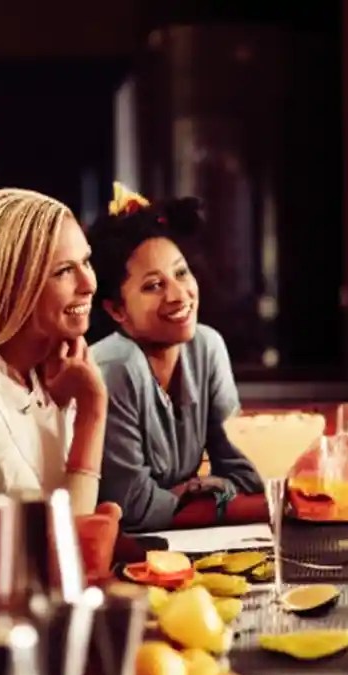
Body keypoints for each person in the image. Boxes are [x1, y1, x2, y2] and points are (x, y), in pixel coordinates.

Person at [0, 187, 121, 577]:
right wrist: (92, 413)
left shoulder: (55, 368)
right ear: (15, 285)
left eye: (86, 262)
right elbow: (65, 550)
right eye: (64, 271)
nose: (90, 284)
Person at [88, 184, 264, 533]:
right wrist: (272, 507)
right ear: (116, 309)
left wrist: (196, 491)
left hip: (185, 546)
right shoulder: (114, 367)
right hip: (121, 556)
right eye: (153, 286)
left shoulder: (206, 347)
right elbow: (133, 510)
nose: (179, 294)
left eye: (181, 273)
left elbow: (244, 474)